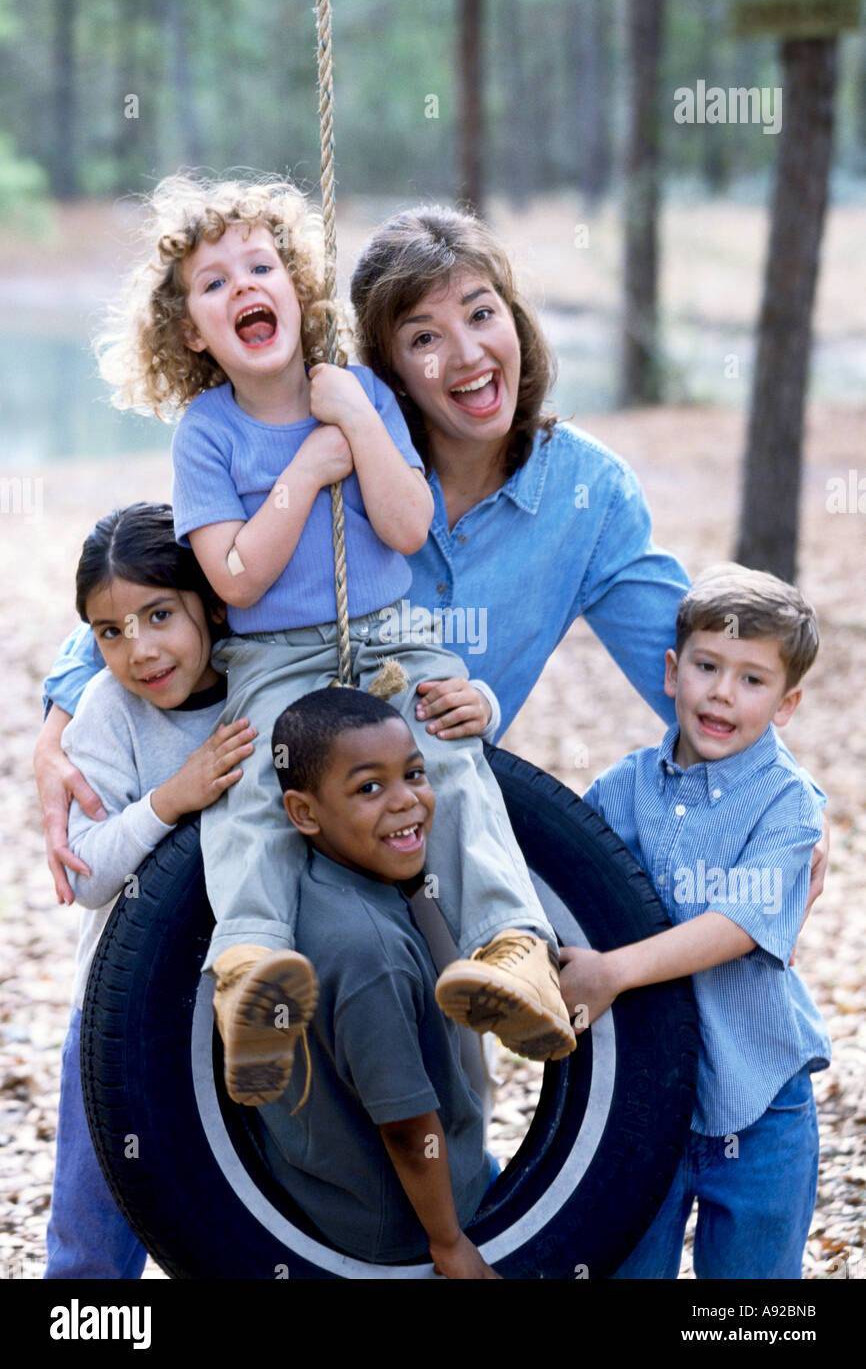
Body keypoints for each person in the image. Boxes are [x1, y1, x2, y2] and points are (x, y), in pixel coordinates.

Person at [35, 200, 828, 1048]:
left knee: (433, 1090)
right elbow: (173, 580)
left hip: (423, 835)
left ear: (515, 320)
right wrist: (64, 715)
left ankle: (510, 958)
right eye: (423, 337)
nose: (467, 354)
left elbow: (701, 670)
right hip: (296, 786)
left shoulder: (582, 495)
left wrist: (785, 805)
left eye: (483, 314)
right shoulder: (326, 432)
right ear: (391, 366)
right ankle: (241, 983)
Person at [55, 174, 579, 1110]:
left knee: (447, 759)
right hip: (276, 655)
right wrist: (309, 463)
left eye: (260, 265)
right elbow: (237, 579)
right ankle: (251, 973)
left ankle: (515, 952)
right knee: (254, 789)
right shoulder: (206, 436)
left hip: (389, 637)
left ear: (296, 287)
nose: (243, 285)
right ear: (189, 332)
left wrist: (354, 421)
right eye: (212, 284)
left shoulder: (363, 393)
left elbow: (409, 525)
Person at [558, 564, 831, 1279]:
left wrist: (612, 971)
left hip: (761, 1100)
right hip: (646, 1101)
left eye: (752, 679)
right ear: (673, 672)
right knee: (628, 1267)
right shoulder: (624, 788)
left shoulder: (788, 805)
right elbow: (567, 884)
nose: (721, 692)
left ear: (787, 702)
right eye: (707, 666)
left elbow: (737, 924)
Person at [44, 503, 256, 1279]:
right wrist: (173, 797)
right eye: (109, 631)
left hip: (251, 1006)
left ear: (210, 602)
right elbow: (87, 868)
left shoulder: (260, 684)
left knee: (247, 1225)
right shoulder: (108, 711)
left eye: (158, 614)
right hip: (121, 1014)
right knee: (90, 1237)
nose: (139, 650)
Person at [257, 686, 499, 1276]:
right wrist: (448, 1245)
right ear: (304, 813)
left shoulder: (311, 890)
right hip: (400, 1223)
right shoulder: (371, 953)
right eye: (369, 787)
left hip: (327, 1187)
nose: (406, 803)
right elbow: (407, 1126)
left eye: (413, 774)